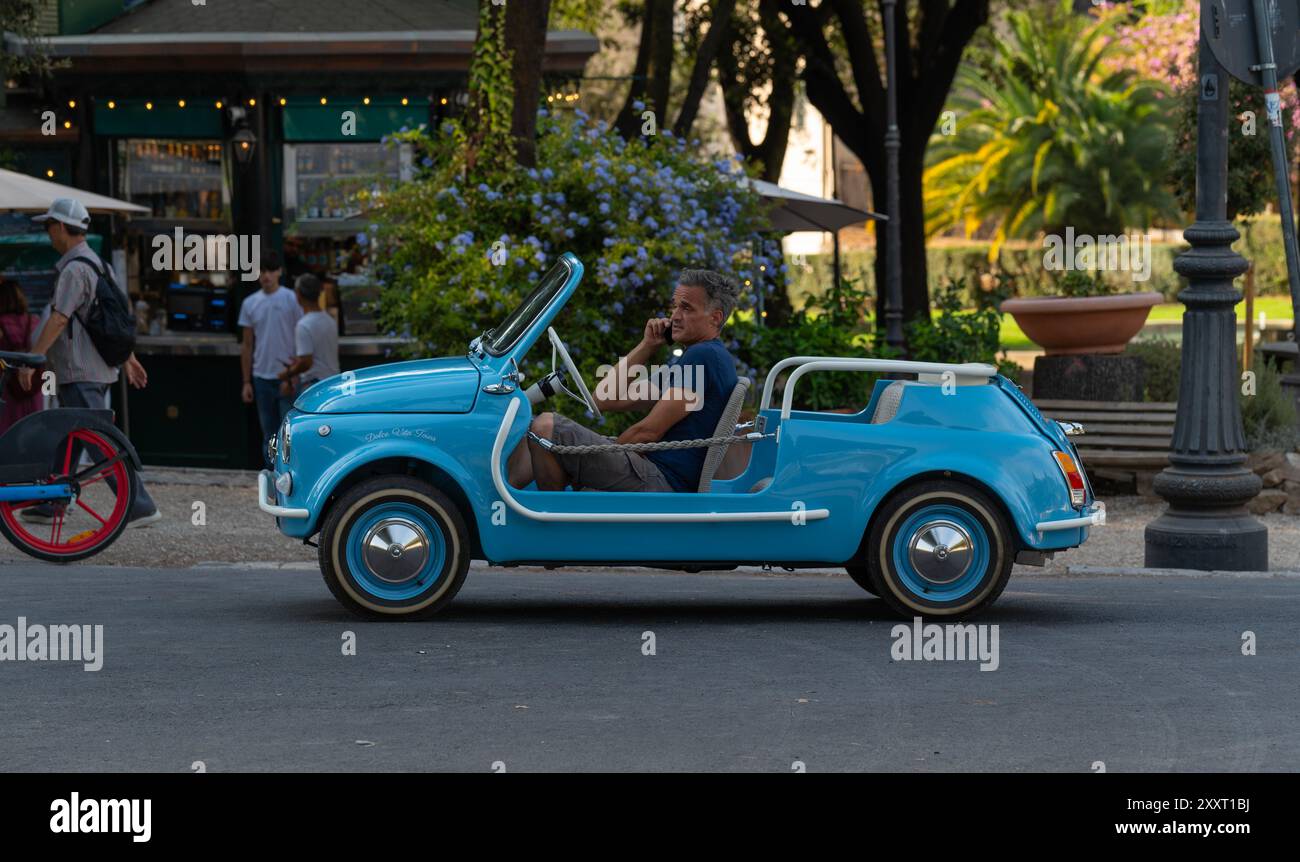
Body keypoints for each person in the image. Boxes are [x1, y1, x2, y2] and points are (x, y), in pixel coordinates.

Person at [508, 269, 740, 493]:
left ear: (715, 318)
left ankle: (552, 523)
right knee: (538, 429)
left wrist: (602, 460)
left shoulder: (704, 357)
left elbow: (648, 432)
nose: (675, 316)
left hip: (662, 480)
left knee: (545, 426)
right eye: (675, 306)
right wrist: (647, 345)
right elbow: (604, 398)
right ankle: (545, 513)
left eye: (687, 308)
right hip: (654, 474)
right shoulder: (697, 359)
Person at [17, 197, 160, 526]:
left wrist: (32, 360)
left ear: (64, 228)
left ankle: (140, 505)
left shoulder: (74, 269)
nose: (48, 233)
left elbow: (58, 320)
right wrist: (128, 359)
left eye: (50, 226)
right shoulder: (99, 265)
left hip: (78, 369)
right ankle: (53, 501)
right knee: (70, 437)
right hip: (92, 368)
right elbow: (112, 321)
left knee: (101, 441)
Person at [238, 250, 302, 466]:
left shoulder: (291, 299)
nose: (266, 276)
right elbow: (247, 345)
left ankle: (288, 476)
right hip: (261, 375)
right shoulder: (250, 303)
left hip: (288, 374)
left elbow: (300, 335)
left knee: (289, 432)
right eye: (262, 271)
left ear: (279, 272)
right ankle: (273, 475)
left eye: (270, 271)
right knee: (269, 434)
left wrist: (295, 371)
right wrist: (246, 381)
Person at [277, 273, 340, 399]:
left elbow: (306, 362)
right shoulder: (330, 320)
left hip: (314, 386)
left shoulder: (304, 325)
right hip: (333, 382)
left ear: (298, 294)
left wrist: (287, 373)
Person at [0, 277, 42, 435]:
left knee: (7, 429)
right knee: (34, 426)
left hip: (6, 386)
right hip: (33, 384)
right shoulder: (34, 321)